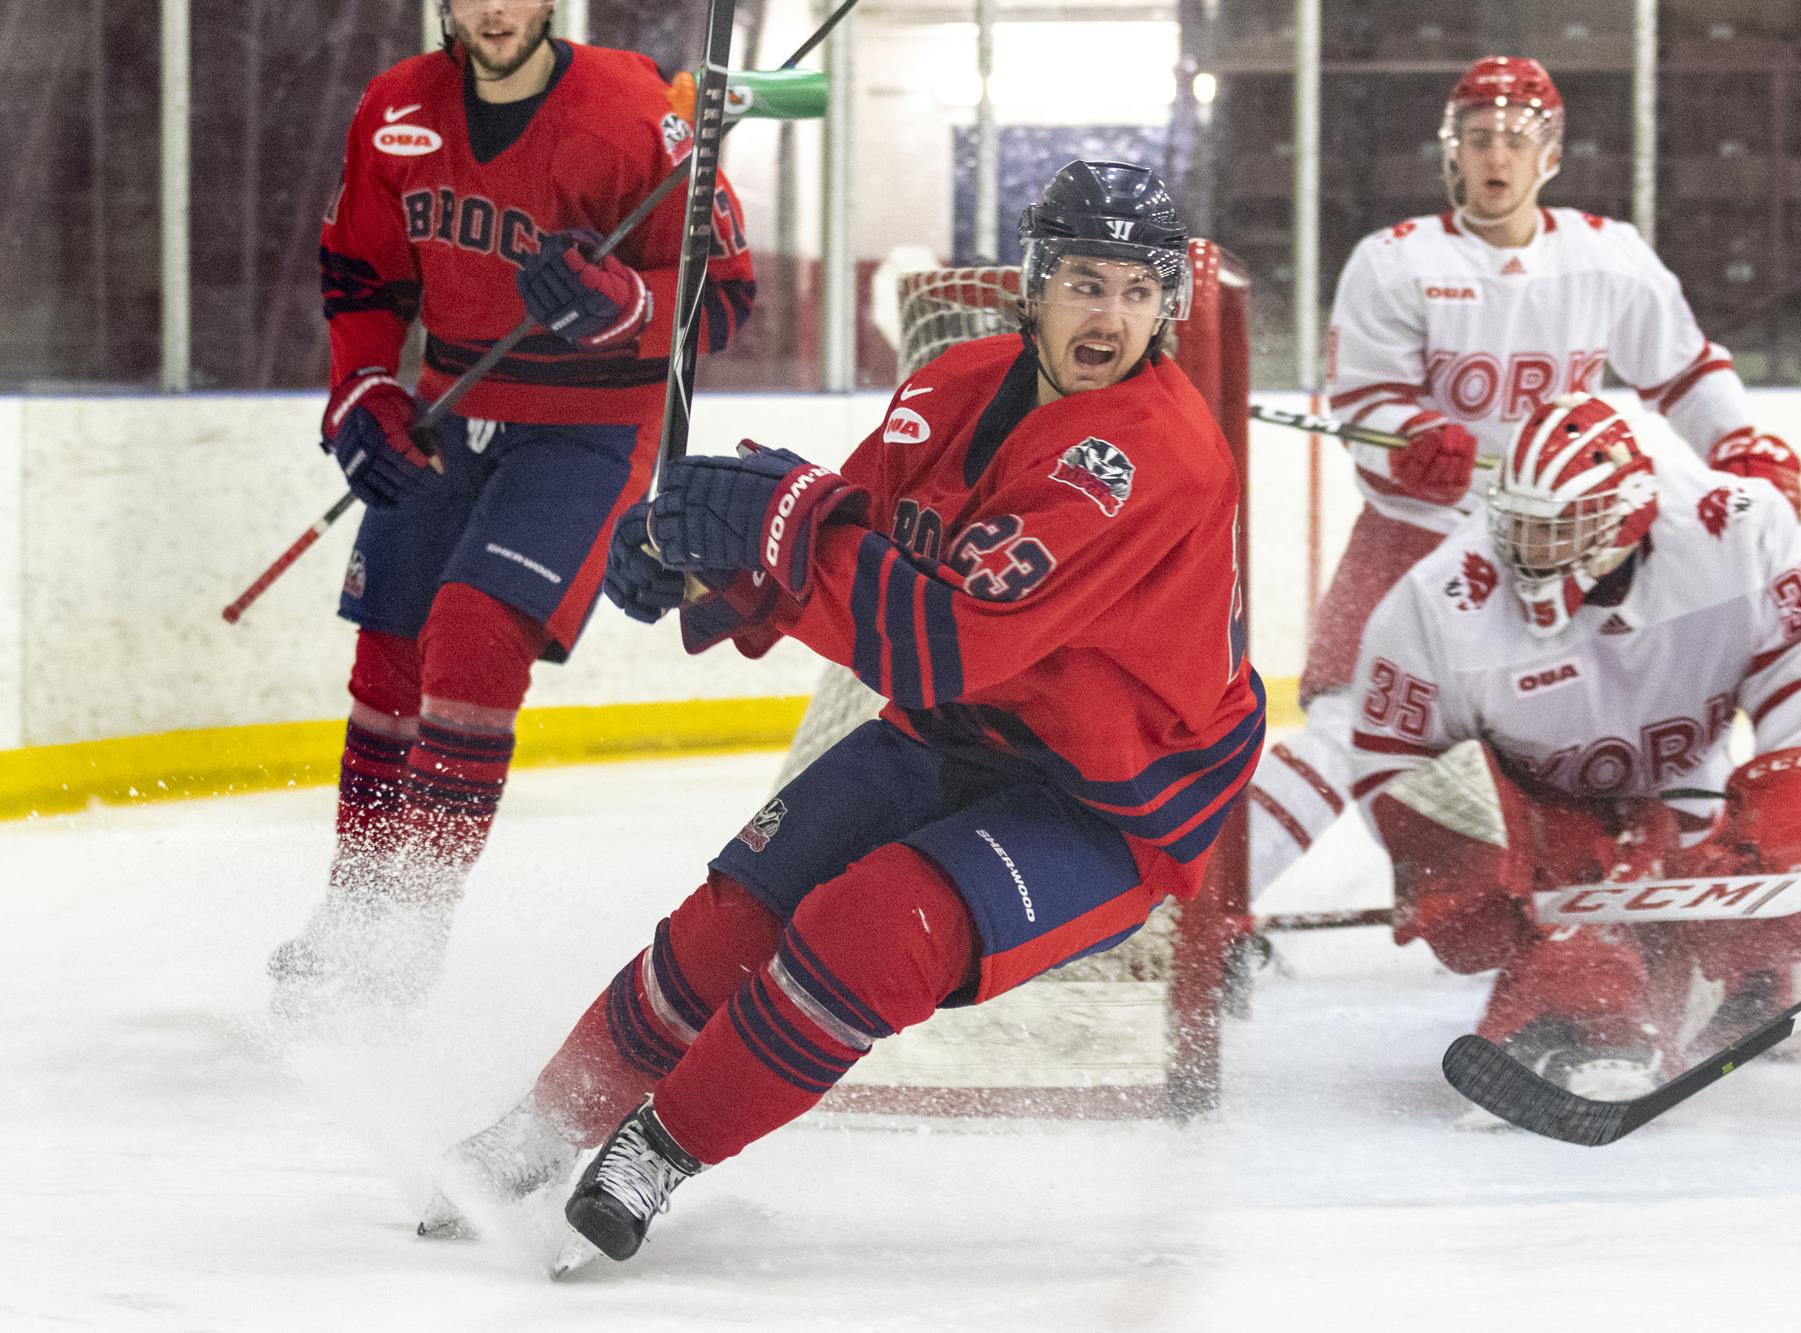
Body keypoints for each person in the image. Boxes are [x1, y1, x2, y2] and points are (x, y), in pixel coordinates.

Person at [419, 160, 1265, 1269]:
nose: (1108, 314)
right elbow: (854, 523)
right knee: (724, 928)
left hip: (1106, 798)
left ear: (1166, 306)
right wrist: (701, 567)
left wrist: (768, 530)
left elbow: (943, 639)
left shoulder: (1148, 458)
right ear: (1033, 285)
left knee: (866, 930)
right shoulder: (956, 381)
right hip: (954, 734)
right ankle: (540, 1130)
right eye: (1084, 283)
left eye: (1134, 290)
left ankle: (657, 1151)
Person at [269, 0, 757, 1005]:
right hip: (451, 405)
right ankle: (356, 912)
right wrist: (363, 390)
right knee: (387, 658)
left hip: (591, 426)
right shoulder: (396, 107)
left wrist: (628, 306)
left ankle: (406, 943)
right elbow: (361, 275)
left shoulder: (633, 108)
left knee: (473, 637)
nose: (495, 9)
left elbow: (728, 296)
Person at [1247, 55, 1801, 896]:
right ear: (1453, 152)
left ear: (1550, 154)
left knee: (1662, 722)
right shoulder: (1395, 261)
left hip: (1575, 544)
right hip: (1422, 535)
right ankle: (1198, 907)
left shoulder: (1607, 256)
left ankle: (1709, 912)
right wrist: (1407, 437)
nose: (1495, 158)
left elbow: (1684, 373)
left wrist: (1739, 445)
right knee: (1346, 723)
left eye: (1515, 138)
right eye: (1478, 139)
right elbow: (1366, 400)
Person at [1349, 392, 1801, 1103]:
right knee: (1576, 942)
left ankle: (1731, 969)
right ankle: (1581, 1010)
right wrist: (1463, 871)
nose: (1523, 551)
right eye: (1519, 528)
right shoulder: (1440, 599)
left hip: (1693, 795)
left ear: (1627, 517)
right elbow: (1395, 761)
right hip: (1545, 820)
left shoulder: (1736, 527)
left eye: (1557, 531)